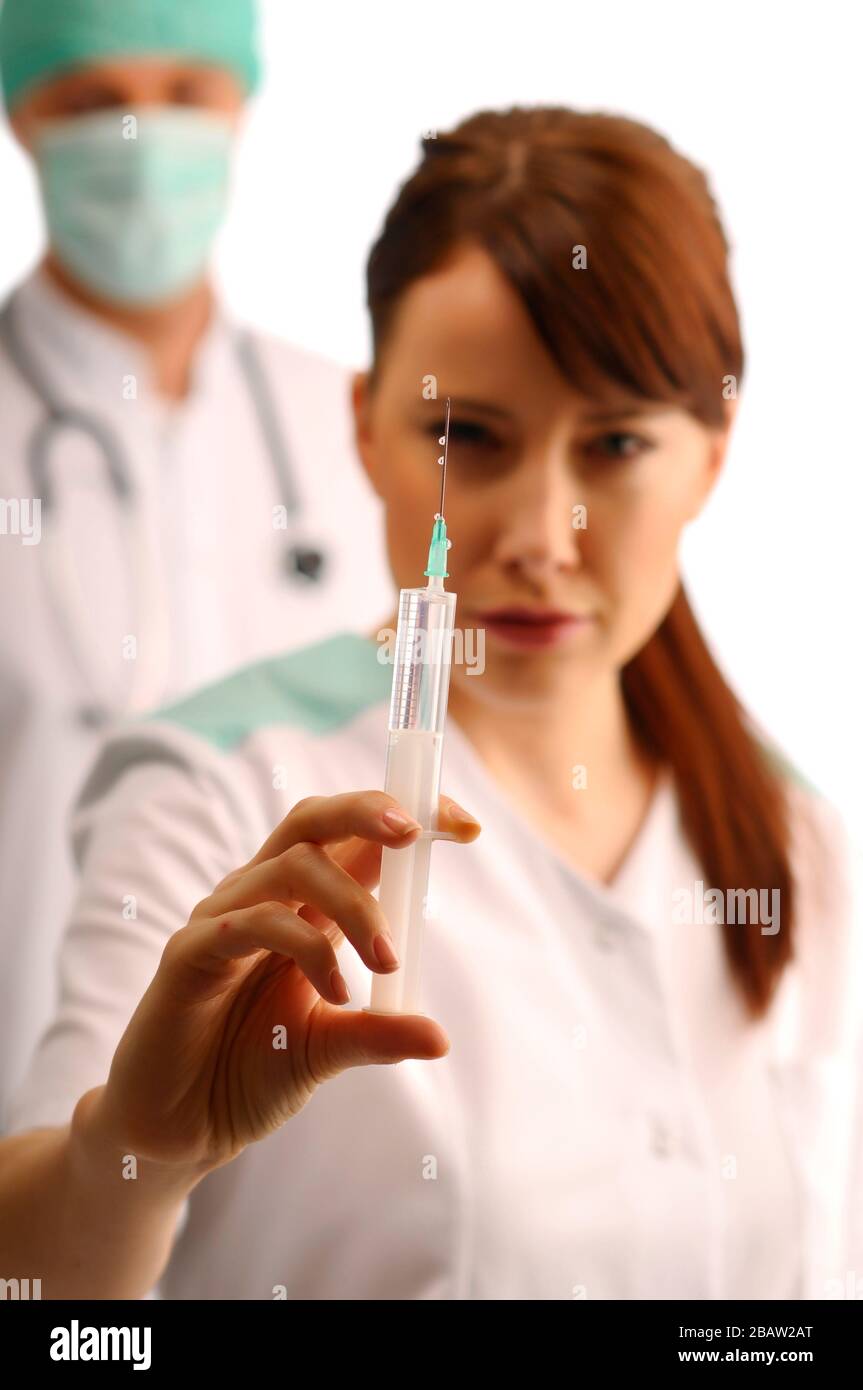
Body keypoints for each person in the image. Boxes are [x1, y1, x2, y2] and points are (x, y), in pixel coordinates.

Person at [1, 105, 861, 1301]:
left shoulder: (798, 840)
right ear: (362, 429)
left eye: (612, 446)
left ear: (710, 457)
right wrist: (136, 1159)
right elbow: (39, 1294)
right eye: (469, 435)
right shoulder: (213, 788)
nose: (533, 539)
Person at [0, 0, 394, 1125]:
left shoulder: (352, 426)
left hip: (316, 1121)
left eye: (184, 94)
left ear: (241, 103)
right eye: (92, 100)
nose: (140, 136)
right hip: (27, 1121)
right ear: (20, 114)